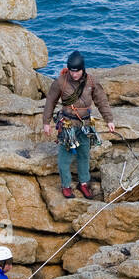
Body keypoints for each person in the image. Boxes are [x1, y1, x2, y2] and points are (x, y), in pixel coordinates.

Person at [42, 51, 116, 198]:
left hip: (86, 125)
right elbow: (50, 101)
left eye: (77, 71)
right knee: (65, 157)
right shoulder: (61, 82)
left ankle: (84, 183)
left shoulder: (91, 82)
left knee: (84, 155)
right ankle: (66, 185)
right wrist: (46, 122)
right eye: (72, 71)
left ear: (83, 69)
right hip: (68, 125)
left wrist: (109, 120)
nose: (74, 74)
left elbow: (101, 101)